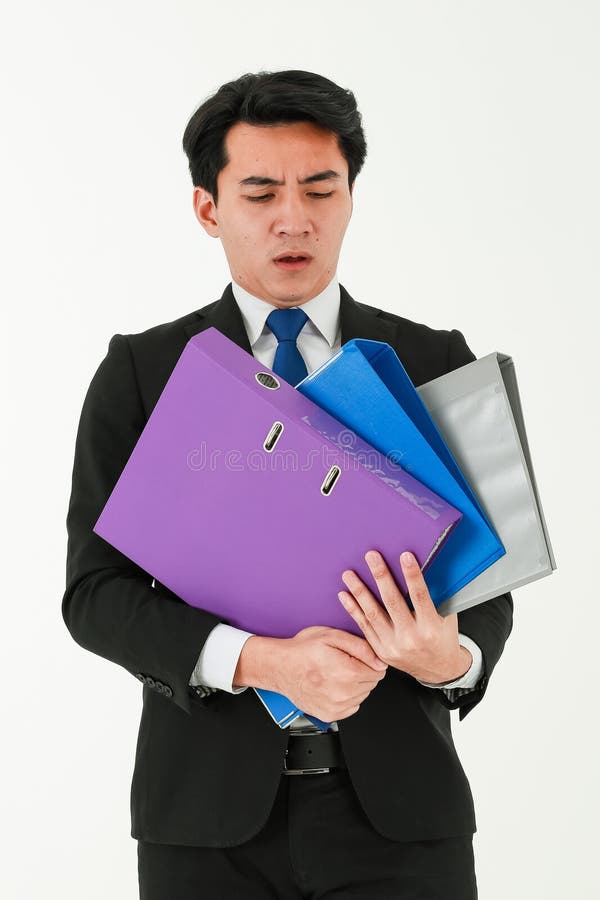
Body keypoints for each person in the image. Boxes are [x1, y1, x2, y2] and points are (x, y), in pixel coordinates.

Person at [62, 70, 513, 899]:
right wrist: (259, 662)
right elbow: (94, 594)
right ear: (209, 208)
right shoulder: (142, 372)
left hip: (403, 823)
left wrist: (450, 656)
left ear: (350, 196)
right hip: (206, 827)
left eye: (319, 188)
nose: (293, 218)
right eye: (261, 192)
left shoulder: (432, 360)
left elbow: (488, 580)